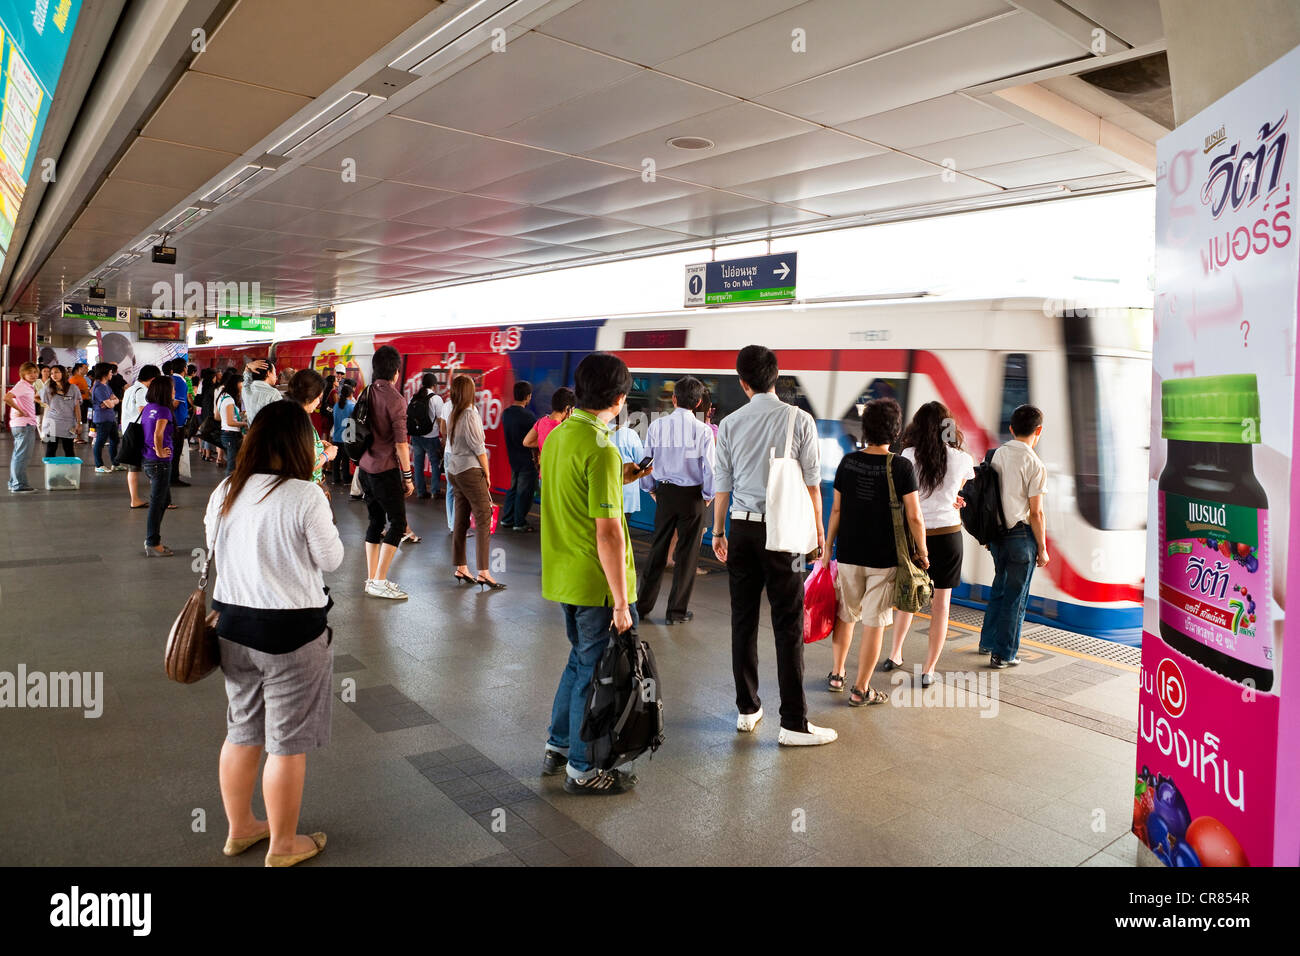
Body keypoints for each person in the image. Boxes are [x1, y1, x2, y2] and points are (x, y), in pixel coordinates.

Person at [206, 400, 343, 867]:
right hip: (293, 635)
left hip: (231, 628)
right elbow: (332, 560)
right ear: (303, 446)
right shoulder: (305, 495)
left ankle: (241, 828)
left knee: (242, 729)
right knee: (286, 742)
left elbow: (213, 546)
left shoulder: (226, 488)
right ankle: (283, 845)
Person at [712, 345, 836, 746]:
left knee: (742, 621)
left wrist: (718, 532)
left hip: (742, 531)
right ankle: (793, 723)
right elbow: (813, 486)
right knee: (787, 625)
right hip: (782, 534)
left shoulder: (728, 424)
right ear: (776, 376)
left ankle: (747, 709)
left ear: (743, 382)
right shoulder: (799, 420)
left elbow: (722, 486)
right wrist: (818, 533)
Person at [541, 352, 652, 794]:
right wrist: (622, 602)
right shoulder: (602, 447)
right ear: (620, 398)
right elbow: (608, 534)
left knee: (579, 662)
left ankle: (560, 744)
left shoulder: (559, 436)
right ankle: (583, 770)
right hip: (596, 584)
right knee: (595, 671)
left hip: (564, 575)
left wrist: (621, 477)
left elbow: (575, 489)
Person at [821, 398, 929, 705]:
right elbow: (914, 516)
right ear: (895, 431)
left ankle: (837, 674)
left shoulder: (848, 463)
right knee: (875, 623)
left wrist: (828, 548)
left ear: (865, 429)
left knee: (846, 616)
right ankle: (860, 689)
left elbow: (837, 510)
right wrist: (923, 552)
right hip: (884, 559)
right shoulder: (901, 467)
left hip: (849, 554)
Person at [885, 402, 975, 687]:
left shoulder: (908, 456)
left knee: (908, 598)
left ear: (918, 426)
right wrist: (954, 500)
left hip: (916, 536)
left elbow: (904, 498)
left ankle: (895, 654)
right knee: (942, 605)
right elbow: (954, 494)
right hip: (949, 536)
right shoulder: (962, 458)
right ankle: (928, 669)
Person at [636, 375, 715, 625]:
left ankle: (642, 607)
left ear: (674, 398)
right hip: (692, 497)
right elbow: (710, 469)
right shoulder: (703, 430)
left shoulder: (657, 426)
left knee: (657, 550)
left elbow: (645, 463)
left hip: (665, 493)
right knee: (687, 555)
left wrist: (651, 489)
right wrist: (708, 497)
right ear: (699, 401)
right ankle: (676, 612)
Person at [979, 404, 1049, 668]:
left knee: (999, 588)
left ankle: (987, 643)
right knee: (1016, 597)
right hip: (1021, 538)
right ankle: (1004, 654)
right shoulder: (1035, 464)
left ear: (1010, 429)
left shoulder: (996, 455)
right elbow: (1037, 513)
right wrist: (1042, 548)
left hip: (997, 536)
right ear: (1038, 430)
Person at [358, 345, 414, 600]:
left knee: (376, 522)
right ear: (396, 371)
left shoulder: (366, 392)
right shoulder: (396, 399)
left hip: (365, 468)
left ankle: (372, 579)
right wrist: (408, 476)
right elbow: (401, 444)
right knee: (399, 523)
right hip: (385, 470)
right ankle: (379, 580)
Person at [446, 374, 504, 589]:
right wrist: (487, 473)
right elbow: (479, 448)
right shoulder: (470, 414)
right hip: (470, 470)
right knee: (483, 517)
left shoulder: (453, 412)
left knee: (461, 519)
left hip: (455, 470)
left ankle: (461, 566)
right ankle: (484, 572)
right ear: (470, 392)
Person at [140, 375, 178, 556]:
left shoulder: (148, 408)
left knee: (164, 500)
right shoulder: (164, 410)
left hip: (148, 460)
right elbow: (158, 434)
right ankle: (152, 543)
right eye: (172, 388)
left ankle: (152, 539)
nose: (174, 392)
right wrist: (160, 450)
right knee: (157, 503)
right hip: (160, 463)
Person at [286, 369, 337, 489]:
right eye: (318, 397)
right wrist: (327, 454)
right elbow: (307, 465)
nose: (319, 402)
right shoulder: (300, 422)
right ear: (309, 396)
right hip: (305, 488)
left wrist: (317, 444)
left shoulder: (289, 414)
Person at [121, 364, 161, 508]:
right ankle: (158, 498)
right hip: (139, 432)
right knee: (153, 465)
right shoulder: (141, 390)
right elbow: (144, 411)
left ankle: (135, 499)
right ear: (152, 379)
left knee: (134, 467)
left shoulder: (130, 389)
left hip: (129, 431)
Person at [501, 380, 537, 531]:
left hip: (513, 458)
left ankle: (507, 519)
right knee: (524, 491)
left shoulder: (506, 413)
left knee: (513, 488)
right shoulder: (528, 417)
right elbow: (535, 438)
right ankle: (519, 523)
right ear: (528, 397)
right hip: (527, 460)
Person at [407, 372, 444, 500]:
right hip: (431, 437)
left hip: (416, 436)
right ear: (434, 385)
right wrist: (444, 437)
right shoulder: (436, 399)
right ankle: (435, 491)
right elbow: (440, 420)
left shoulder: (414, 397)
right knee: (435, 464)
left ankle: (421, 492)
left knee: (418, 464)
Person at [4, 362, 40, 493]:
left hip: (22, 424)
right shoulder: (22, 386)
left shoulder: (27, 386)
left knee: (18, 455)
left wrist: (19, 409)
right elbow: (7, 398)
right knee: (22, 456)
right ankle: (18, 485)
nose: (33, 375)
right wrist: (20, 410)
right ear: (23, 373)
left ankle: (14, 482)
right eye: (29, 372)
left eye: (35, 372)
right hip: (24, 425)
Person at [39, 365, 82, 458]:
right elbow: (36, 397)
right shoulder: (47, 388)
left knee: (69, 449)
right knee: (50, 449)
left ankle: (70, 472)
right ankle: (50, 472)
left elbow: (77, 406)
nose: (54, 375)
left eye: (57, 372)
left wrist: (79, 423)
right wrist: (47, 405)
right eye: (52, 373)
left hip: (69, 423)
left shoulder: (73, 388)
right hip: (51, 423)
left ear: (63, 373)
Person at [610, 413, 646, 518]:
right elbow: (640, 460)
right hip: (625, 491)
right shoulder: (629, 434)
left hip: (603, 490)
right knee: (622, 528)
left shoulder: (597, 432)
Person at [522, 386, 574, 458]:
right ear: (567, 408)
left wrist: (543, 443)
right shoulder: (562, 429)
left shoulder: (541, 421)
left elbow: (527, 442)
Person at [89, 364, 121, 474]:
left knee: (115, 439)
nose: (112, 374)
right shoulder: (98, 387)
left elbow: (115, 400)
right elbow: (112, 404)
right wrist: (110, 402)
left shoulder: (106, 386)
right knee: (100, 442)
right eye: (110, 372)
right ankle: (99, 465)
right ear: (105, 373)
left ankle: (115, 463)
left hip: (110, 418)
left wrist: (110, 402)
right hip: (103, 419)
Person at [216, 368, 249, 476]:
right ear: (236, 384)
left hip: (226, 434)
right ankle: (228, 488)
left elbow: (218, 416)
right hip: (231, 434)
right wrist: (245, 423)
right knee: (232, 465)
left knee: (232, 462)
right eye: (242, 383)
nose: (243, 386)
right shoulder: (229, 400)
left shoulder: (223, 397)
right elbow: (230, 422)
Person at [168, 359, 193, 487]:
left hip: (172, 422)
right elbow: (176, 403)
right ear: (184, 368)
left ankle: (171, 476)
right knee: (176, 451)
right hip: (177, 423)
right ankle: (173, 478)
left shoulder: (170, 379)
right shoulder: (181, 382)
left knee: (171, 450)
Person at [330, 382, 355, 486]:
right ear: (351, 394)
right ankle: (346, 479)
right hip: (347, 436)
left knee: (337, 459)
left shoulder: (336, 405)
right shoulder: (352, 406)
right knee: (345, 459)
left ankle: (335, 478)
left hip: (336, 435)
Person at [241, 359, 280, 424]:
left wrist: (248, 366)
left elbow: (246, 378)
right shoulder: (273, 393)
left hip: (253, 432)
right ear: (268, 373)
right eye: (274, 372)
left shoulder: (246, 389)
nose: (276, 376)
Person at [69, 363, 92, 442]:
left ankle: (79, 436)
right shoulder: (74, 379)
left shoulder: (83, 378)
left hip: (85, 401)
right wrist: (83, 391)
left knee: (83, 419)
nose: (87, 369)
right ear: (78, 369)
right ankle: (76, 437)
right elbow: (72, 391)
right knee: (77, 419)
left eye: (87, 368)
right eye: (85, 368)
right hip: (78, 402)